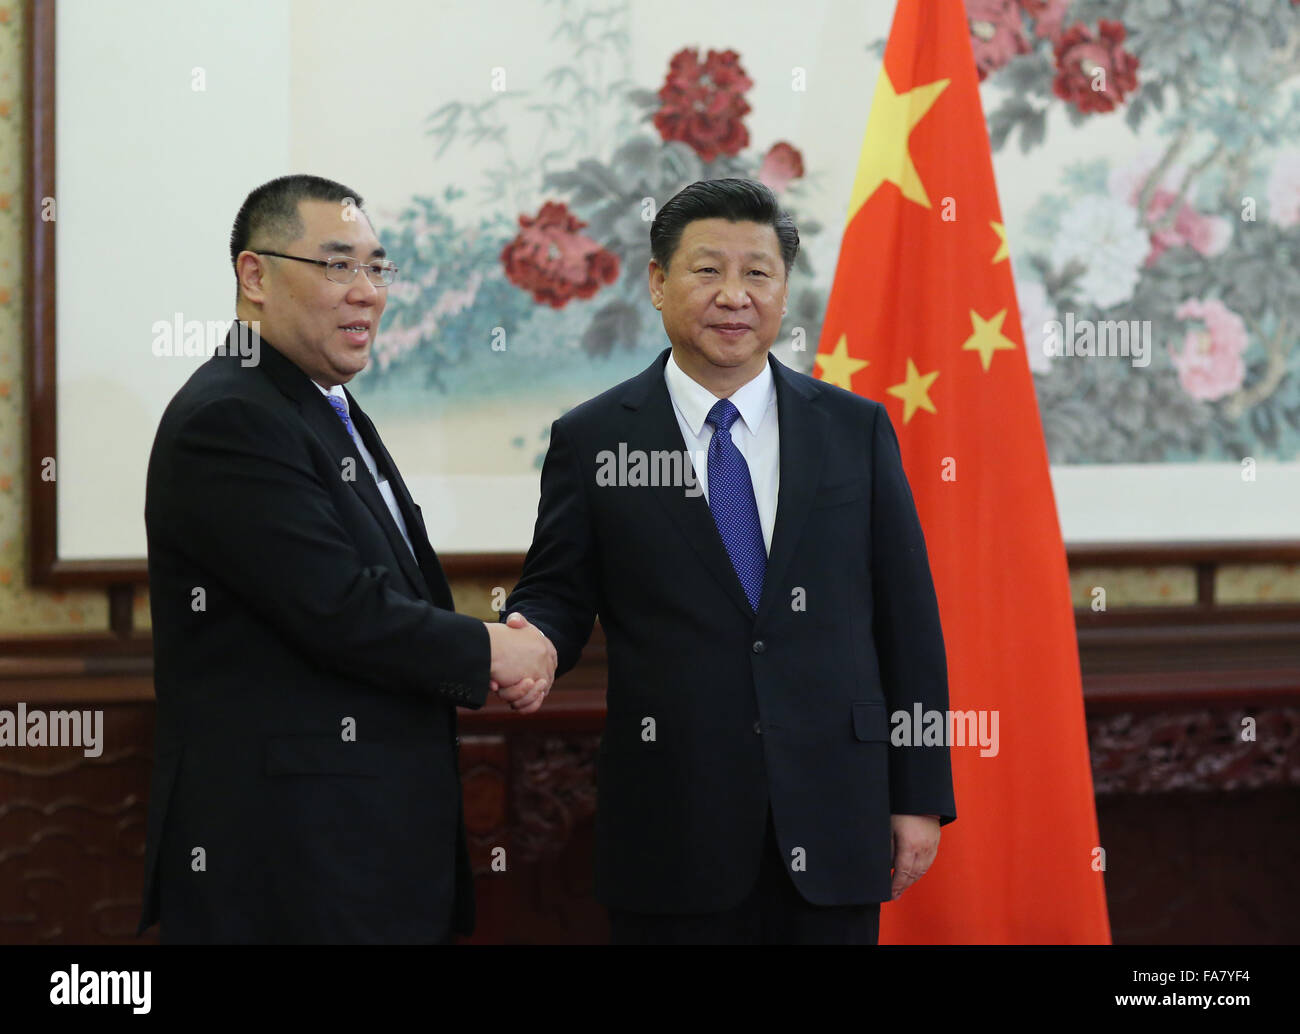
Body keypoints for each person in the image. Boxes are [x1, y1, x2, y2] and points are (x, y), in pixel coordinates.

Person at [503, 178, 955, 944]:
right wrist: (531, 639)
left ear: (783, 290)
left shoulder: (854, 430)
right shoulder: (594, 439)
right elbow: (558, 592)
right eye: (708, 270)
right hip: (674, 828)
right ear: (657, 282)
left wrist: (918, 794)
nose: (734, 296)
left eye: (758, 274)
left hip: (836, 818)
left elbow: (909, 625)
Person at [138, 174, 555, 943]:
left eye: (378, 267)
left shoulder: (313, 402)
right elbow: (337, 607)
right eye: (337, 266)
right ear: (254, 275)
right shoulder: (231, 416)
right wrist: (493, 648)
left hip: (355, 857)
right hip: (290, 867)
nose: (366, 292)